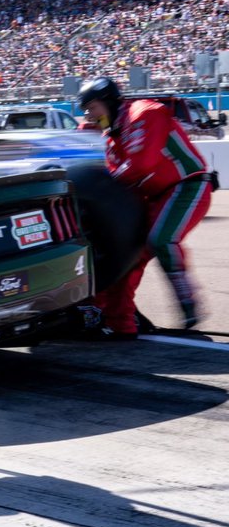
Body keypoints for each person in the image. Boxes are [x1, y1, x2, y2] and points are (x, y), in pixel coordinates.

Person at [78, 76, 214, 338]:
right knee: (127, 259)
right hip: (154, 197)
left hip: (188, 186)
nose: (88, 115)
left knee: (161, 239)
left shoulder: (144, 113)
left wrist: (104, 185)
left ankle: (187, 301)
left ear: (108, 101)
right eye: (86, 110)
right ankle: (120, 323)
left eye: (92, 107)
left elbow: (141, 165)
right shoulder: (112, 138)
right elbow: (123, 179)